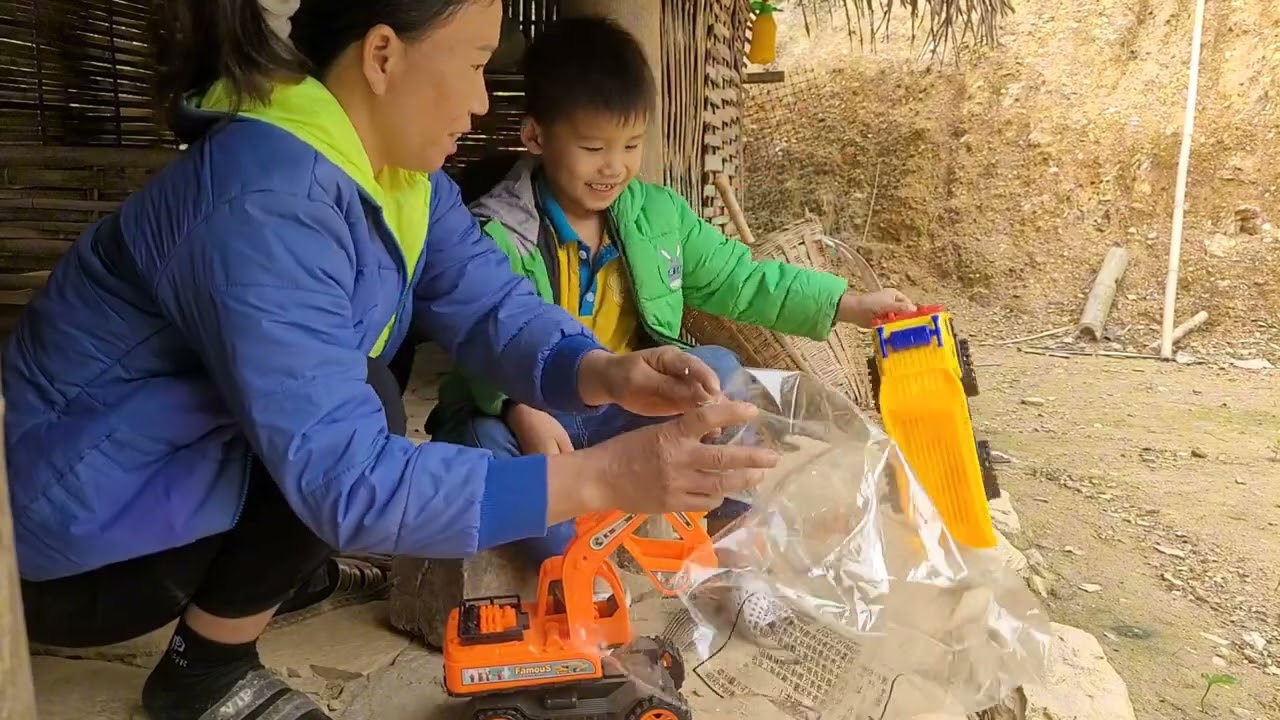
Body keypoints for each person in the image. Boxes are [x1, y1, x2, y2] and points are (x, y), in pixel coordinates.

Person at [2, 2, 779, 719]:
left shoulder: (399, 177)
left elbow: (487, 303)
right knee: (364, 401)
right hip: (80, 547)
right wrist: (605, 476)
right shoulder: (264, 201)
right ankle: (204, 668)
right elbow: (347, 478)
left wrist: (604, 370)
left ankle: (275, 577)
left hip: (166, 479)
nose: (482, 101)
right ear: (382, 55)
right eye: (476, 62)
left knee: (360, 378)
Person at [427, 16, 915, 583]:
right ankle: (571, 568)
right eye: (593, 147)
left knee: (718, 372)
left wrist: (847, 305)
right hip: (521, 412)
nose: (615, 166)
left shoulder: (658, 217)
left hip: (620, 404)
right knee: (480, 450)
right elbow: (480, 335)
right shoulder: (496, 232)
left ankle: (733, 528)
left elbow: (742, 277)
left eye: (631, 144)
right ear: (536, 137)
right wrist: (519, 407)